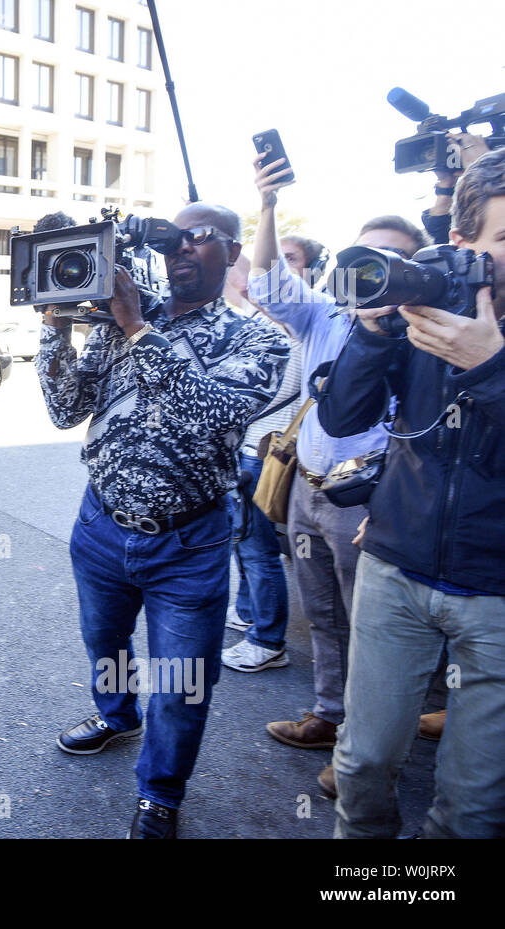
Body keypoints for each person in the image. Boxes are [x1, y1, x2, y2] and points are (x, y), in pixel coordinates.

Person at [38, 202, 290, 838]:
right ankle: (117, 715)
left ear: (233, 253)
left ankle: (160, 795)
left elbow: (211, 414)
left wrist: (136, 330)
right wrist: (55, 326)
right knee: (106, 645)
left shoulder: (257, 339)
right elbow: (66, 409)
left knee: (179, 685)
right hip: (100, 527)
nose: (179, 250)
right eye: (169, 239)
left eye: (198, 239)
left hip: (188, 543)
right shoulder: (125, 312)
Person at [318, 148, 505, 839]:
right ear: (463, 245)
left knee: (474, 805)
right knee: (363, 765)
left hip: (497, 593)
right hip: (395, 570)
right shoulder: (422, 306)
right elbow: (339, 419)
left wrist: (491, 367)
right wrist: (372, 330)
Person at [249, 152, 427, 796]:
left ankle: (364, 751)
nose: (374, 271)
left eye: (391, 259)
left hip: (371, 507)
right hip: (309, 492)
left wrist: (388, 508)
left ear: (414, 272)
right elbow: (264, 279)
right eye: (365, 256)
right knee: (323, 617)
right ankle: (328, 716)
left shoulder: (423, 335)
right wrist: (266, 205)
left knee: (377, 638)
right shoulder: (325, 314)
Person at [221, 261, 303, 673]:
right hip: (248, 448)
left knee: (258, 550)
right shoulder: (261, 321)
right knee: (242, 539)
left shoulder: (294, 330)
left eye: (291, 262)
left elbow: (270, 393)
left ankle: (268, 641)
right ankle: (247, 611)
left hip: (260, 451)